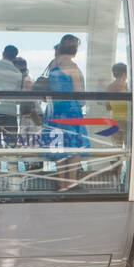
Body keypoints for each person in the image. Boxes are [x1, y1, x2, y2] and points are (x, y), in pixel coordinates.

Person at [43, 34, 85, 189]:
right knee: (74, 148)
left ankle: (61, 183)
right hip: (70, 109)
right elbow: (78, 92)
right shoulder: (72, 66)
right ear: (74, 48)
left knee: (58, 145)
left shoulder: (53, 63)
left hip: (54, 109)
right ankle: (71, 182)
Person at [106, 63, 129, 147]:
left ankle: (115, 160)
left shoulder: (109, 87)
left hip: (115, 120)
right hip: (127, 120)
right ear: (124, 73)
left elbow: (108, 107)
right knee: (129, 147)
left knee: (116, 147)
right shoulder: (128, 87)